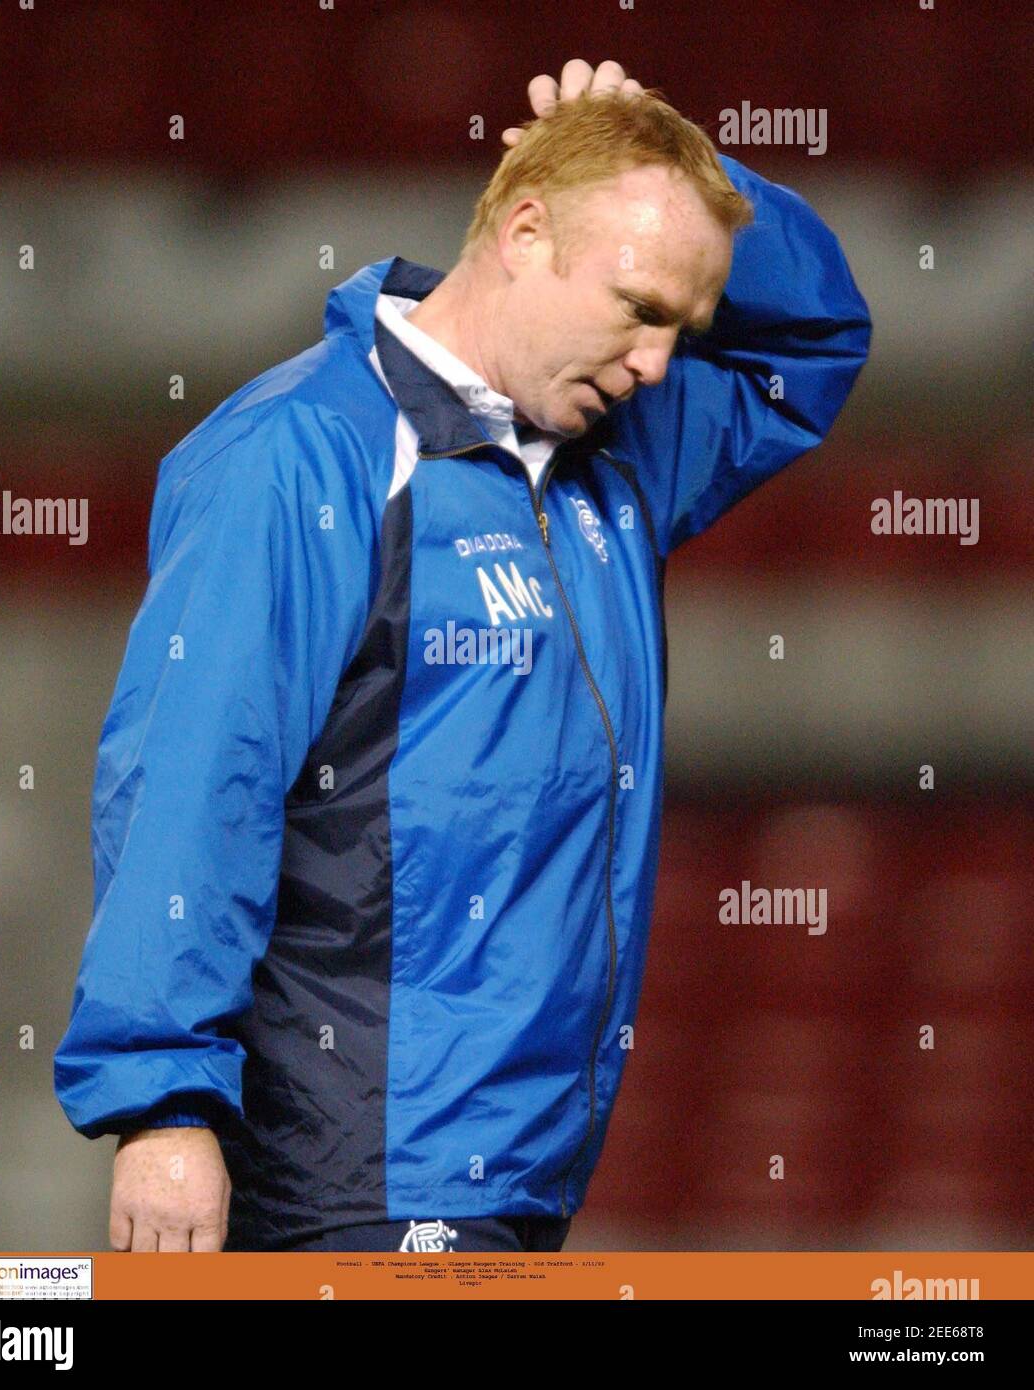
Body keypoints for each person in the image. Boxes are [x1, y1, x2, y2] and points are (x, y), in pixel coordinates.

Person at [54, 59, 871, 1253]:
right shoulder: (301, 457)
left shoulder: (618, 448)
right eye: (639, 307)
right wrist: (162, 1105)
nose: (658, 364)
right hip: (348, 1175)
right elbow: (189, 779)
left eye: (679, 330)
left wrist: (673, 160)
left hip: (510, 1180)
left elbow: (814, 339)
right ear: (524, 232)